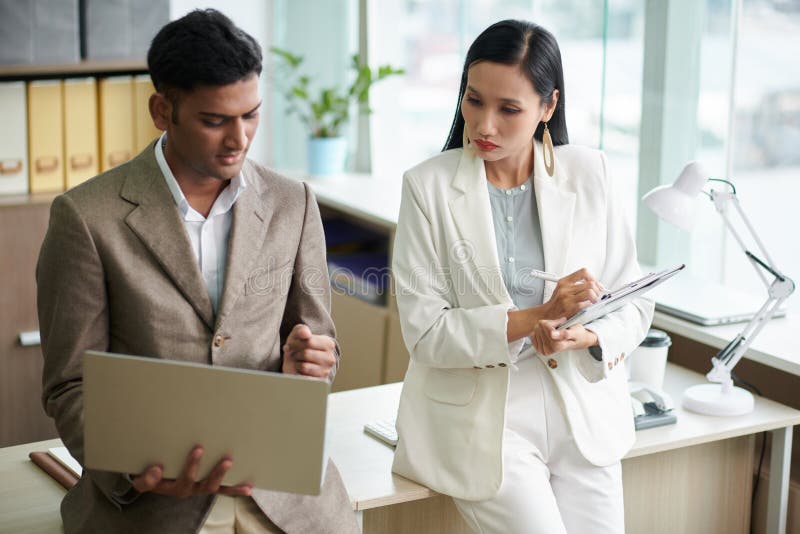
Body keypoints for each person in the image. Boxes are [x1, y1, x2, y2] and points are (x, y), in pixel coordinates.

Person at [37, 9, 358, 534]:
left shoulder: (293, 202)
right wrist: (132, 473)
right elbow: (70, 385)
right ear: (163, 110)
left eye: (251, 115)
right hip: (151, 507)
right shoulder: (86, 219)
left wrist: (314, 360)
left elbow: (320, 340)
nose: (240, 139)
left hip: (288, 501)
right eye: (215, 121)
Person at [391, 19, 654, 534]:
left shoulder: (590, 173)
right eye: (474, 100)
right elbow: (425, 334)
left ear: (548, 107)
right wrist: (538, 316)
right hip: (485, 422)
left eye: (509, 109)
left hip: (583, 411)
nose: (484, 125)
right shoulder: (427, 188)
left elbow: (635, 301)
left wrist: (590, 334)